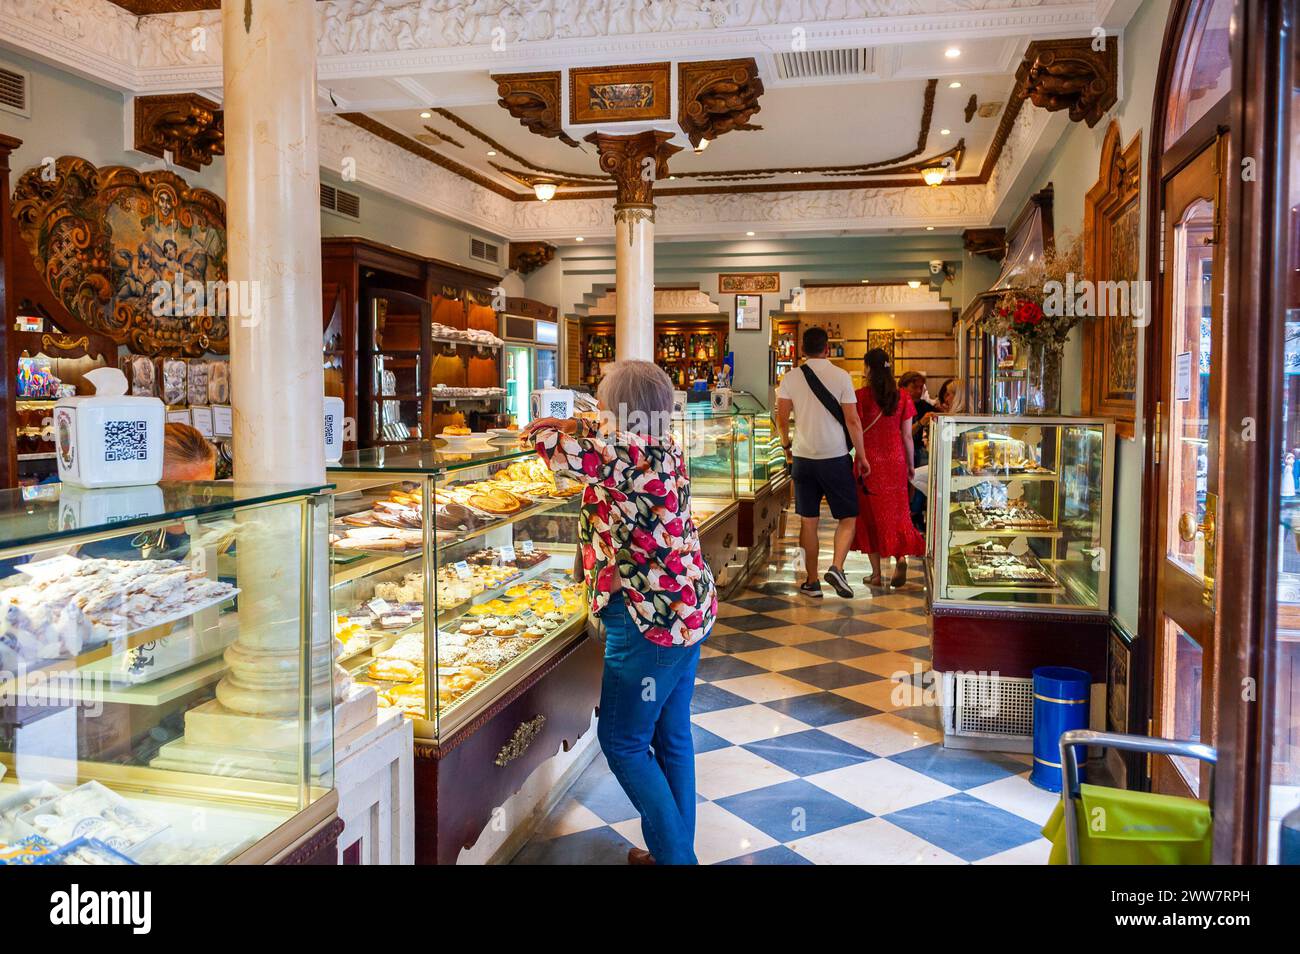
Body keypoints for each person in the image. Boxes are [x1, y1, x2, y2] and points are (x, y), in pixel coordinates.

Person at [523, 360, 717, 866]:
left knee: (623, 741)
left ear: (618, 411)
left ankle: (678, 859)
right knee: (672, 734)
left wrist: (561, 420)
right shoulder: (662, 446)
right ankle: (672, 850)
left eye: (605, 404)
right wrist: (592, 420)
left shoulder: (622, 454)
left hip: (648, 618)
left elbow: (545, 443)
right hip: (687, 609)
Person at [775, 326, 868, 599]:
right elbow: (852, 420)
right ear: (827, 349)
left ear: (802, 349)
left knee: (808, 522)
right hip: (835, 457)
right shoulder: (841, 376)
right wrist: (861, 455)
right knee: (848, 517)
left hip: (803, 457)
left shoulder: (790, 377)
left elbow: (781, 417)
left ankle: (812, 582)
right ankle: (837, 567)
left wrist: (785, 443)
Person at [854, 349, 926, 588]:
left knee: (870, 516)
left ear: (868, 369)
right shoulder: (903, 397)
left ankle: (876, 575)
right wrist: (910, 466)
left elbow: (854, 429)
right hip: (895, 461)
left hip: (868, 462)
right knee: (897, 513)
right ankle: (901, 558)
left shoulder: (861, 396)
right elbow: (907, 435)